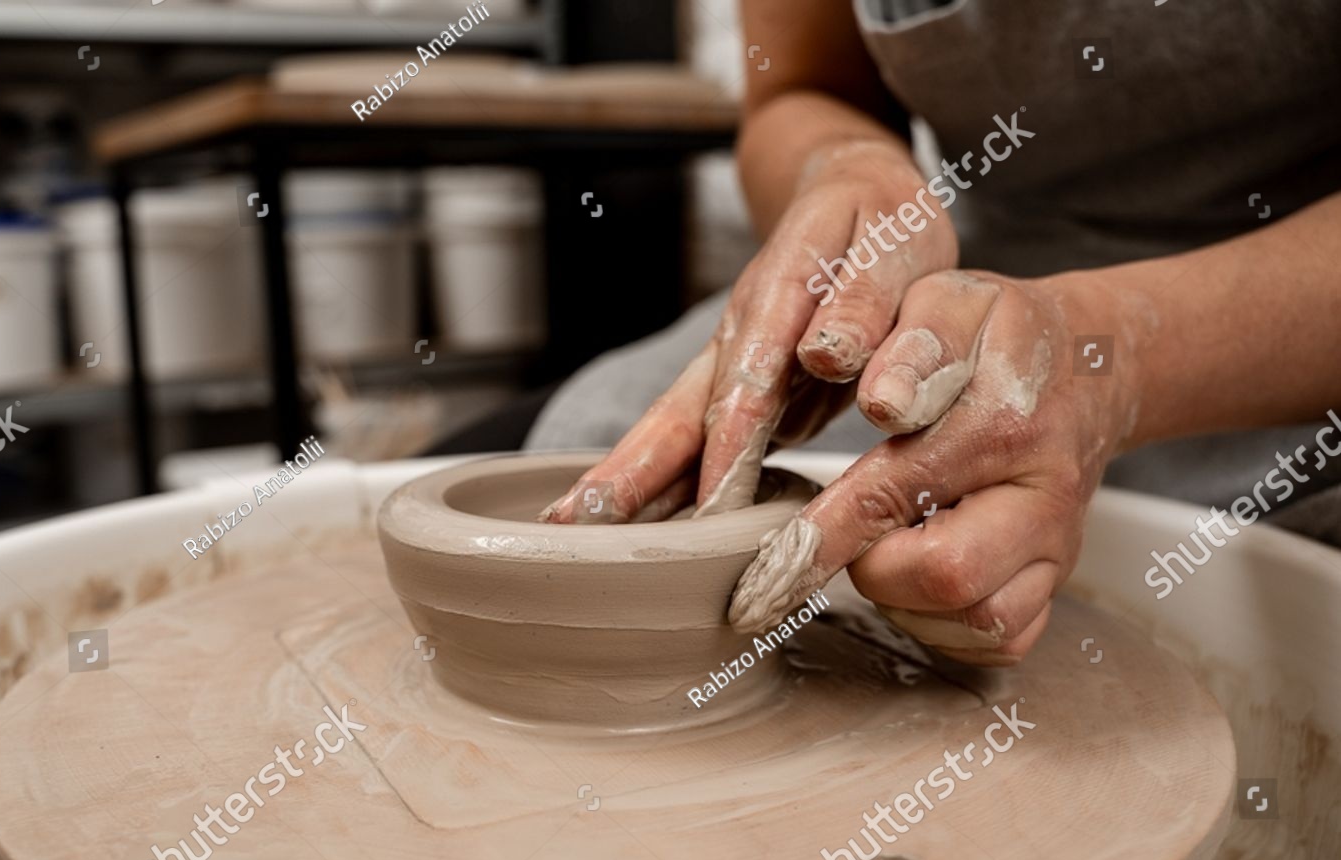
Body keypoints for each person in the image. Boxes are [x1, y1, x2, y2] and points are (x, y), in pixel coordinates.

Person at [528, 0, 1341, 665]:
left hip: (1287, 311)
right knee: (596, 443)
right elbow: (804, 89)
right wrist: (850, 168)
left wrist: (1116, 356)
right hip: (968, 275)